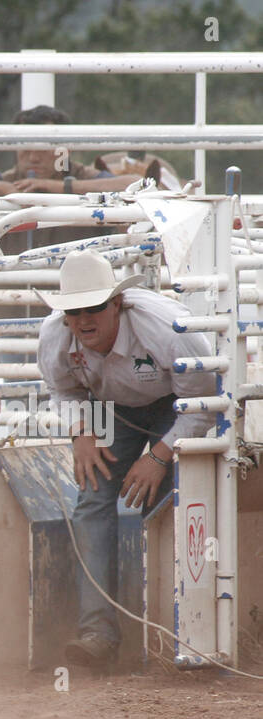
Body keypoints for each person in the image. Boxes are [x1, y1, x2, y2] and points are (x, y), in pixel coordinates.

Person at [37, 250, 216, 668]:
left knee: (167, 498)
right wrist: (81, 431)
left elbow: (203, 402)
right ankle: (97, 632)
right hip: (104, 407)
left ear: (117, 303)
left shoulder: (169, 330)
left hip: (176, 405)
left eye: (95, 307)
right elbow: (64, 392)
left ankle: (170, 628)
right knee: (92, 494)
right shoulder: (54, 338)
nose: (83, 320)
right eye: (73, 311)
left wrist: (158, 454)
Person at [0, 105, 144, 200]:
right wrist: (3, 190)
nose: (33, 157)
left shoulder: (82, 176)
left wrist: (62, 188)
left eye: (43, 148)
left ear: (65, 149)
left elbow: (137, 185)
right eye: (24, 146)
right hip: (10, 290)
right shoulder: (11, 180)